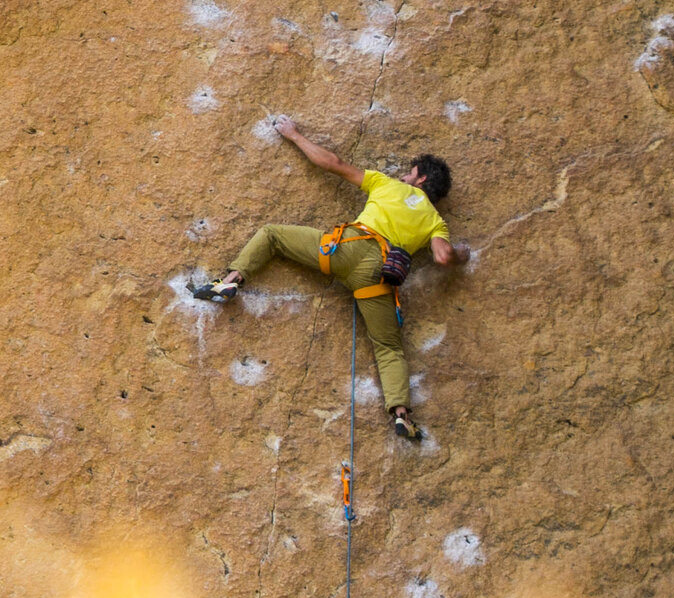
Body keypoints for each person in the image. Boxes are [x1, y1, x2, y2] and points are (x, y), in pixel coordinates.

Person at [195, 117, 469, 440]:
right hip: (377, 279)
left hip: (343, 251)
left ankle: (230, 281)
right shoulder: (435, 222)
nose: (403, 175)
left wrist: (294, 135)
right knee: (388, 348)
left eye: (409, 172)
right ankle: (401, 415)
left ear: (420, 178)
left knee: (272, 236)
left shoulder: (387, 184)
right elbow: (442, 256)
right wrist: (462, 254)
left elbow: (333, 163)